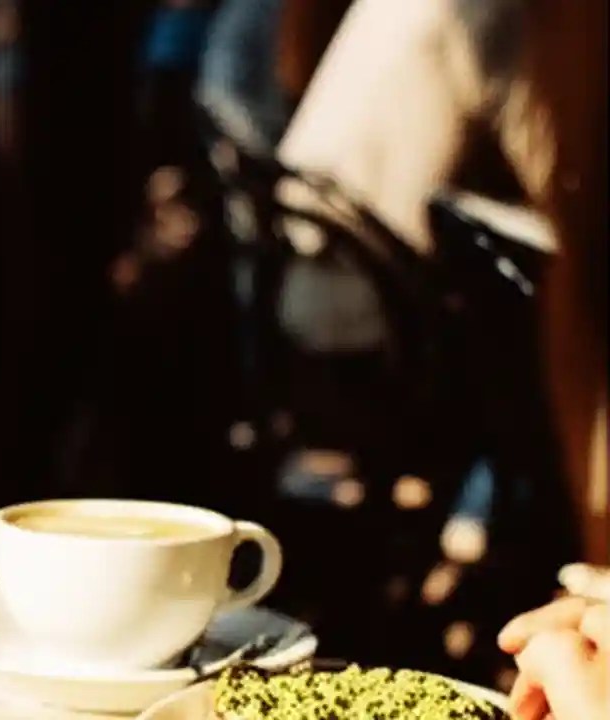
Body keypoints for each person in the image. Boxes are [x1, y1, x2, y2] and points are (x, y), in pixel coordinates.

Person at [275, 1, 606, 716]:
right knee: (521, 311)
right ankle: (494, 529)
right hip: (374, 329)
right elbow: (558, 170)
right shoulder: (514, 13)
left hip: (299, 298)